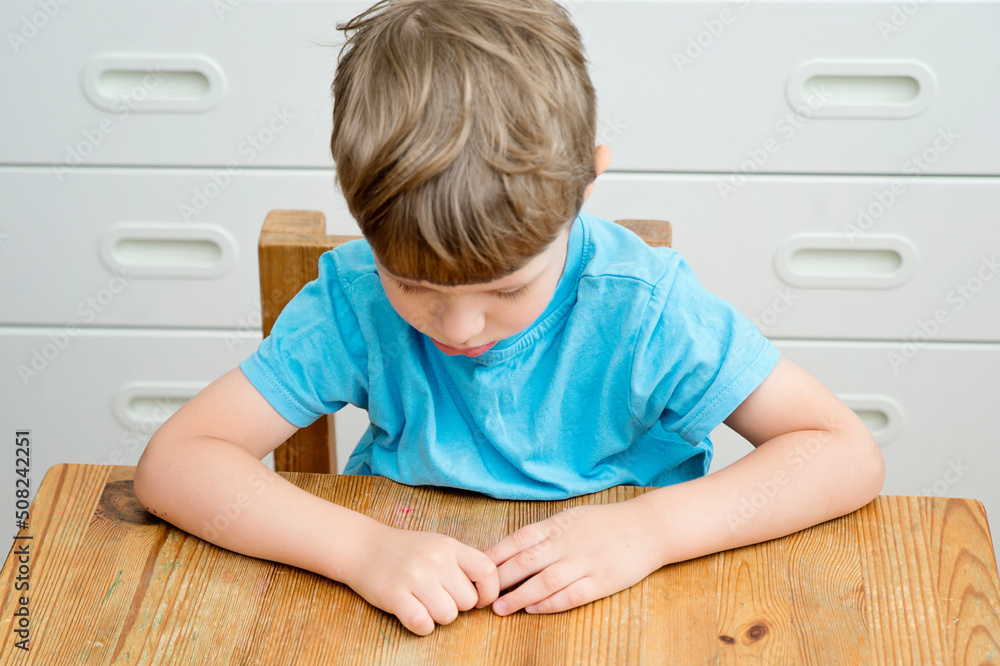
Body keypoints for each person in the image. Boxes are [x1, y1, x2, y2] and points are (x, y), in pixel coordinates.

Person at [133, 0, 884, 637]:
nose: (458, 328)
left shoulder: (644, 309)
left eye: (506, 289)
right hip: (397, 613)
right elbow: (177, 463)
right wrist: (359, 551)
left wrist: (652, 531)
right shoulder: (354, 301)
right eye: (412, 285)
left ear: (584, 190)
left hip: (630, 616)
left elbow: (841, 451)